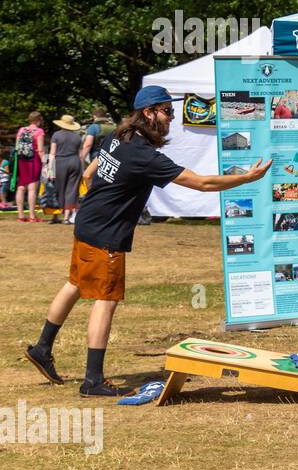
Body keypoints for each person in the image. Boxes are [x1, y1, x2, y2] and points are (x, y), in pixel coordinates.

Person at [23, 86, 271, 396]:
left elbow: (90, 174)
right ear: (148, 112)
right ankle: (93, 381)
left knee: (75, 283)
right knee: (106, 298)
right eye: (167, 111)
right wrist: (247, 178)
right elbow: (202, 183)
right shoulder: (144, 155)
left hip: (87, 224)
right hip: (106, 234)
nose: (172, 117)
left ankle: (42, 347)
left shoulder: (117, 136)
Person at [48, 114, 85, 224]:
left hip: (60, 162)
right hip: (75, 162)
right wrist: (82, 169)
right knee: (72, 190)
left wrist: (50, 168)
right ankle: (66, 218)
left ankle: (55, 216)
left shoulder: (56, 135)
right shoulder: (78, 137)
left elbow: (52, 153)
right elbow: (81, 155)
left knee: (57, 189)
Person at [14, 111, 46, 223]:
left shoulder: (21, 130)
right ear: (38, 120)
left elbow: (17, 146)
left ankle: (21, 215)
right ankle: (32, 216)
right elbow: (41, 150)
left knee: (21, 187)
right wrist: (45, 163)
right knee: (32, 188)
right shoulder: (39, 131)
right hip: (34, 160)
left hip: (21, 160)